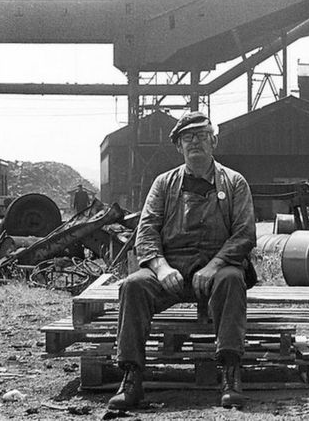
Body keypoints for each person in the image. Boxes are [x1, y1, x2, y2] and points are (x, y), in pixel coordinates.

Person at [108, 112, 256, 410]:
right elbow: (146, 232)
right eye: (187, 137)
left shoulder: (235, 182)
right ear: (179, 146)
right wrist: (161, 268)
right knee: (133, 286)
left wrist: (214, 266)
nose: (195, 142)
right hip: (171, 268)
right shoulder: (163, 184)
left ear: (213, 141)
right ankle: (132, 378)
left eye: (202, 136)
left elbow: (244, 235)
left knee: (231, 280)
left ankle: (230, 372)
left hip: (217, 266)